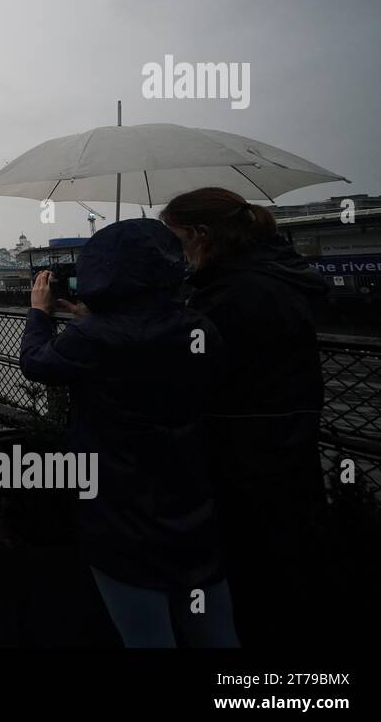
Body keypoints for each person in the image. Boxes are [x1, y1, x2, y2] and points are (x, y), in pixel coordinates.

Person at [19, 219, 237, 647]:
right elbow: (147, 350)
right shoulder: (200, 329)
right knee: (216, 634)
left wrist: (39, 312)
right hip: (191, 505)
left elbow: (36, 363)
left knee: (147, 638)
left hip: (120, 515)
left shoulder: (92, 338)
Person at [161, 187, 329, 647]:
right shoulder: (271, 279)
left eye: (176, 238)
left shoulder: (233, 294)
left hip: (243, 466)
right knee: (288, 583)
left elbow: (187, 375)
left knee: (258, 592)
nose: (175, 251)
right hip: (287, 456)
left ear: (199, 234)